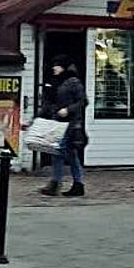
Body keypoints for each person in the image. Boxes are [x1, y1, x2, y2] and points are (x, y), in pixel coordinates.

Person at [40, 59, 87, 198]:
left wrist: (68, 109)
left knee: (64, 153)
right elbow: (49, 103)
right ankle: (66, 184)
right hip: (58, 123)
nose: (54, 68)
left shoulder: (73, 82)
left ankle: (61, 184)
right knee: (61, 153)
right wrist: (38, 118)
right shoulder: (55, 82)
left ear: (63, 67)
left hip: (70, 124)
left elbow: (83, 101)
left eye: (57, 65)